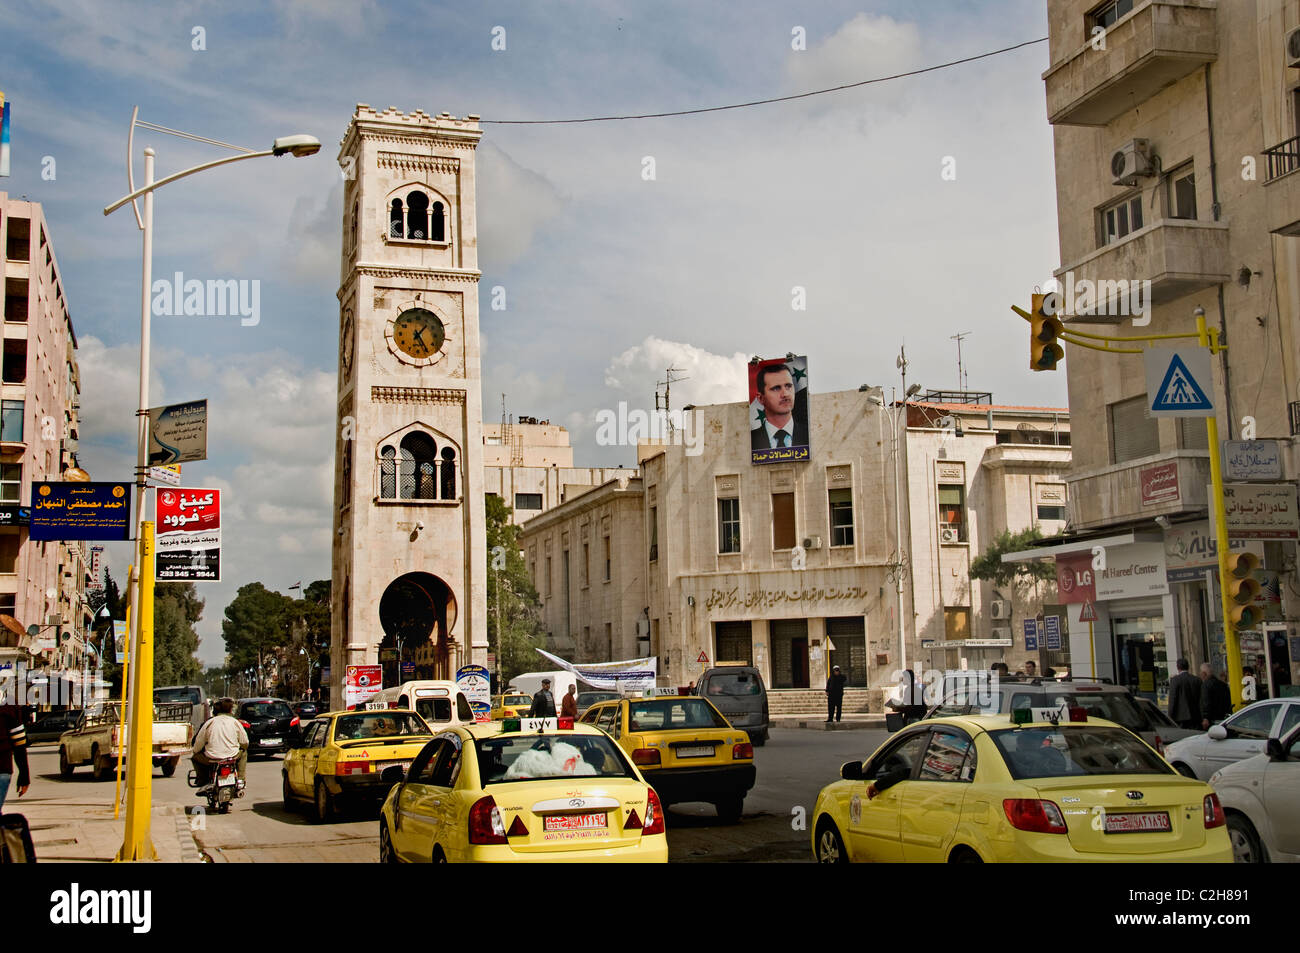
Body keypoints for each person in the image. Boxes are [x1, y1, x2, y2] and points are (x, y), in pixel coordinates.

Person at [750, 363, 809, 451]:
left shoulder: (809, 433)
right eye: (776, 388)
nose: (785, 394)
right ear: (761, 398)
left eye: (788, 386)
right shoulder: (750, 439)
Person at [191, 697, 249, 784]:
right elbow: (245, 742)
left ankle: (202, 780)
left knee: (195, 757)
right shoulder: (235, 722)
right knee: (244, 752)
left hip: (211, 758)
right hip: (232, 756)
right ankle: (241, 779)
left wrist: (196, 751)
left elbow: (199, 742)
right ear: (231, 710)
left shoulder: (210, 722)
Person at [0, 704, 30, 814]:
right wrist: (24, 775)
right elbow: (19, 744)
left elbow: (19, 744)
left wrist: (24, 775)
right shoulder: (9, 708)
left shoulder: (9, 709)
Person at [1167, 658, 1202, 729]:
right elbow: (1201, 698)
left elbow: (1173, 699)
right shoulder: (1197, 680)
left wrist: (1169, 716)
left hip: (1181, 718)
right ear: (1188, 667)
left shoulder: (1175, 680)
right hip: (1196, 716)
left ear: (1178, 667)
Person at [1199, 663, 1232, 729]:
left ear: (1203, 673)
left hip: (1212, 720)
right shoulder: (1223, 685)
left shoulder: (1206, 685)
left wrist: (1206, 717)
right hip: (1223, 718)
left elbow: (1206, 702)